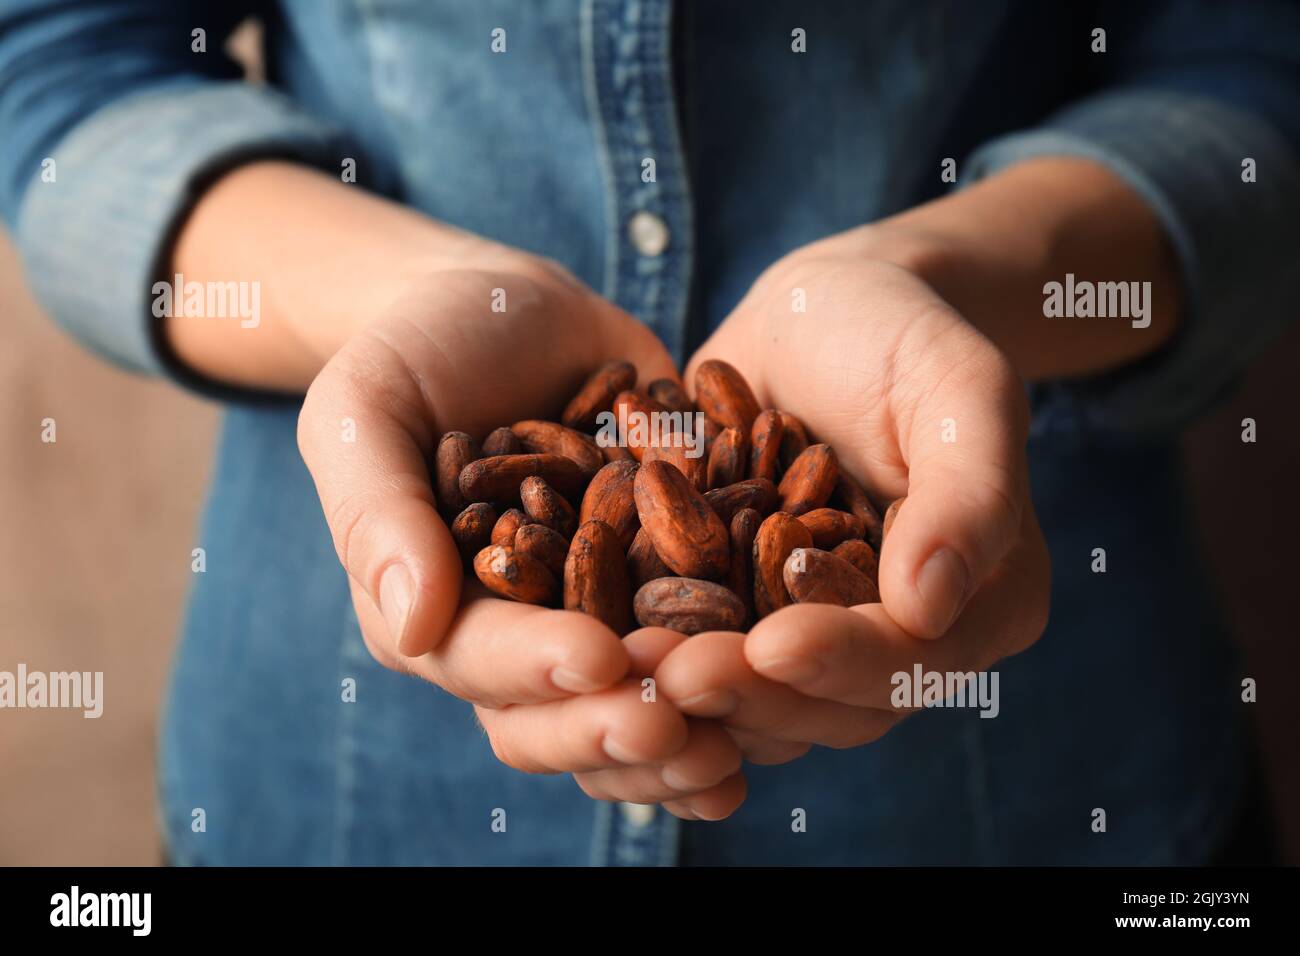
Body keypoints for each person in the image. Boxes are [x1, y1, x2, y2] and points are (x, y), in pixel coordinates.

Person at [1, 0, 1295, 866]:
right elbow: (58, 68)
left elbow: (1250, 70)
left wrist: (957, 282)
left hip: (1040, 789)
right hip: (342, 796)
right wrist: (396, 309)